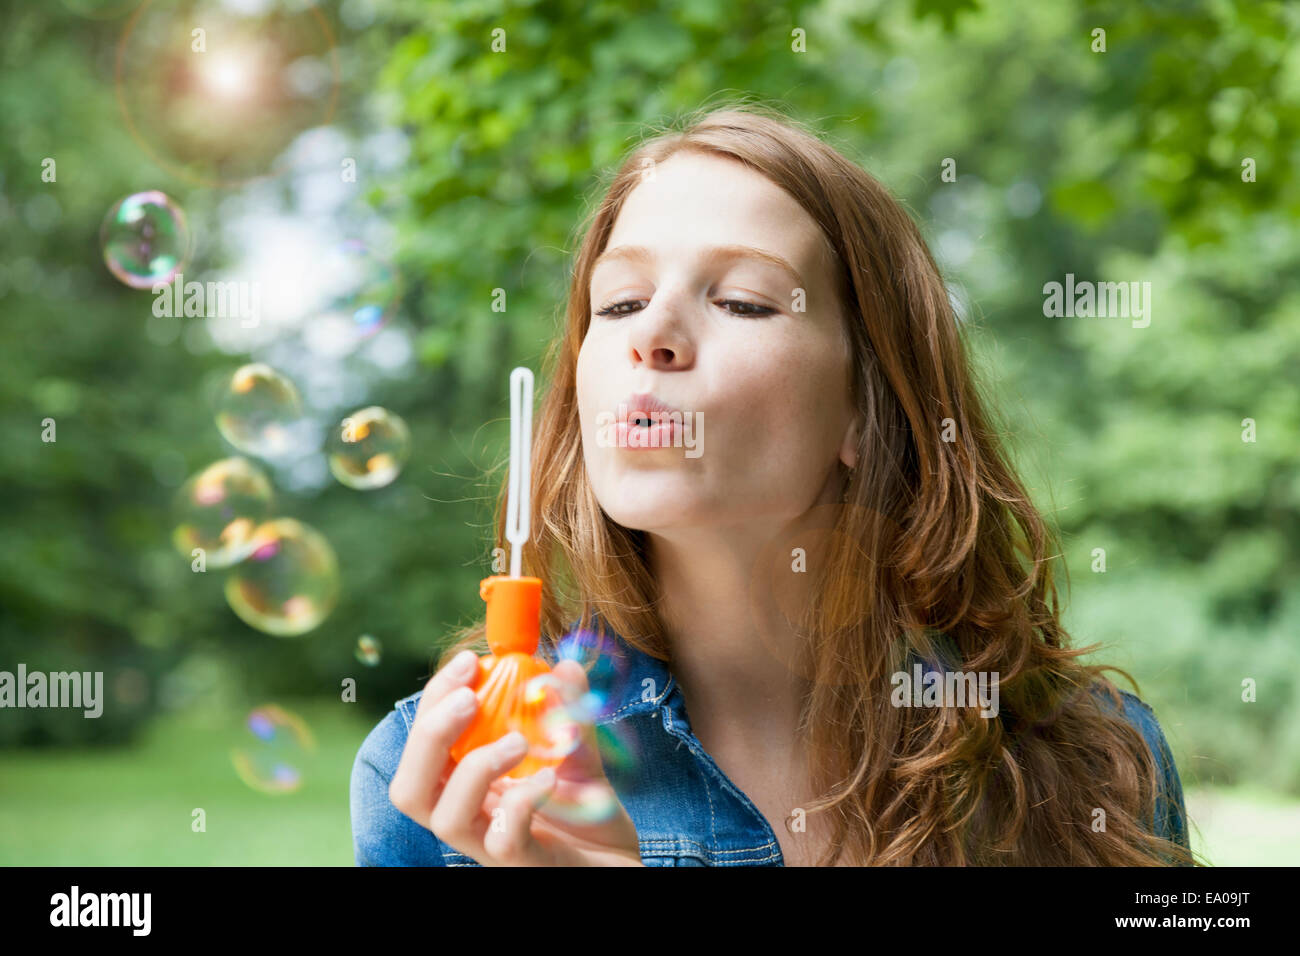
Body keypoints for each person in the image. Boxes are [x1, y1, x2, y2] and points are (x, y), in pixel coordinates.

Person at [350, 101, 1195, 867]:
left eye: (746, 302)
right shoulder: (445, 778)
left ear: (867, 411)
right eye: (618, 304)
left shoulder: (1095, 757)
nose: (653, 334)